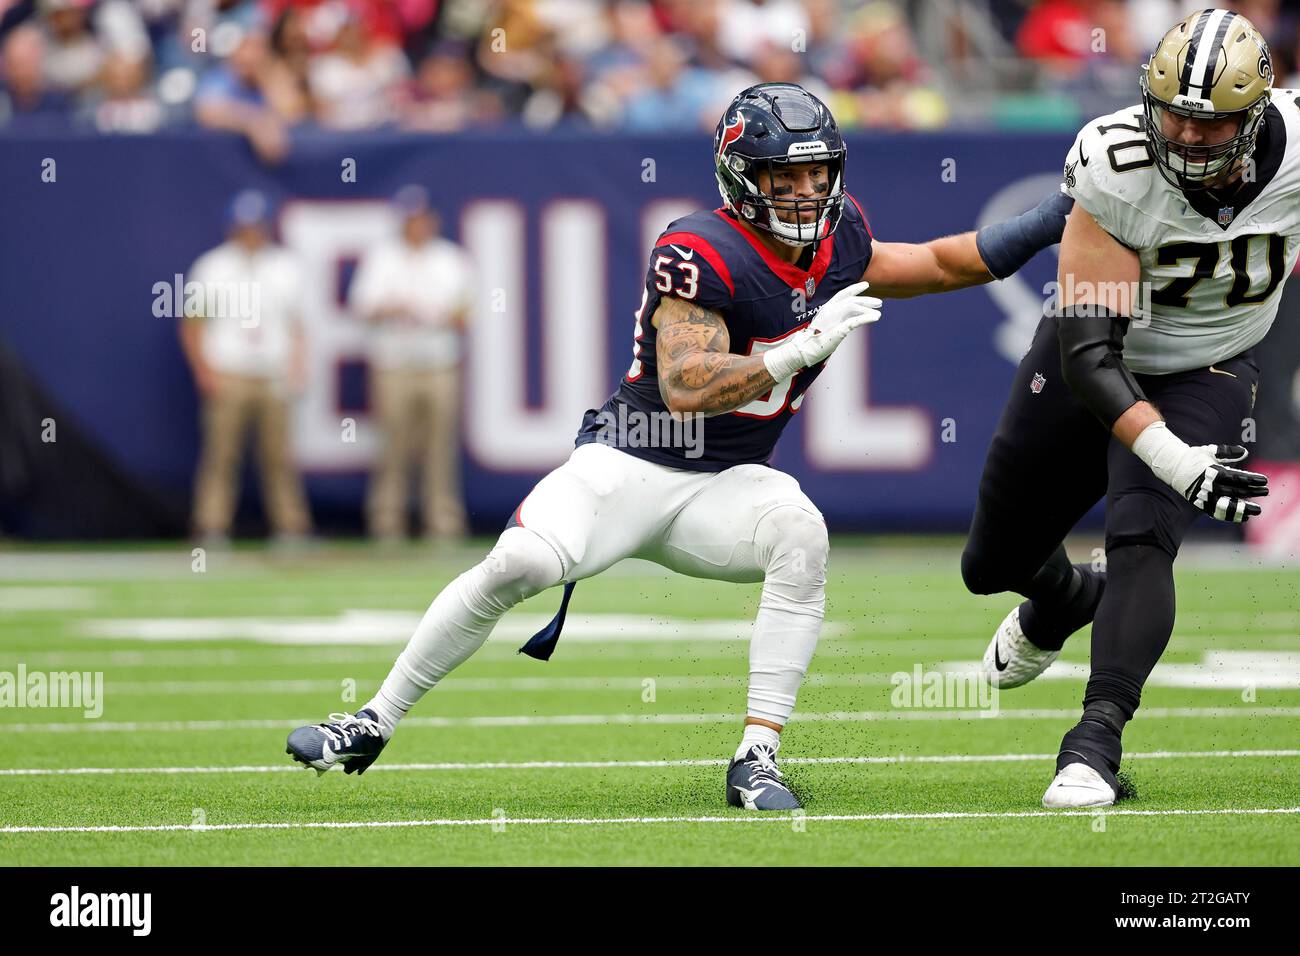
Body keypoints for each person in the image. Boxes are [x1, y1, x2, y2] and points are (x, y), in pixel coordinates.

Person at [286, 82, 1071, 811]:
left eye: (816, 175)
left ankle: (755, 757)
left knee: (801, 533)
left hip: (723, 484)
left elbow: (937, 264)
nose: (804, 194)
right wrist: (796, 350)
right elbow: (686, 386)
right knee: (519, 563)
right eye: (781, 177)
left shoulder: (840, 242)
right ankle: (373, 719)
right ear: (740, 177)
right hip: (628, 461)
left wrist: (1052, 214)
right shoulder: (697, 249)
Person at [962, 9, 1285, 808]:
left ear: (1255, 116)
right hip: (1097, 357)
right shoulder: (1116, 161)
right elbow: (1090, 358)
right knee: (991, 564)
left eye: (1207, 124)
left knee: (1143, 537)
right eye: (1170, 110)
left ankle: (1094, 743)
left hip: (1208, 364)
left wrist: (1173, 459)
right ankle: (1069, 597)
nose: (1182, 133)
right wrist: (1175, 458)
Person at [181, 189, 312, 546]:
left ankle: (290, 527)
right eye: (244, 226)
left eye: (256, 225)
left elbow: (297, 325)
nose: (251, 233)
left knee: (278, 457)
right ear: (233, 227)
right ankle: (211, 525)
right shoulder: (212, 267)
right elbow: (192, 324)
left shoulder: (285, 267)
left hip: (272, 372)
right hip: (230, 371)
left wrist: (297, 367)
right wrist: (204, 371)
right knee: (221, 454)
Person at [350, 185, 473, 542]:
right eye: (409, 219)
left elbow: (468, 314)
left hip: (439, 363)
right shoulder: (383, 257)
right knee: (392, 446)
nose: (415, 225)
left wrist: (437, 315)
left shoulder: (451, 259)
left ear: (431, 220)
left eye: (420, 218)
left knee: (440, 447)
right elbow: (362, 307)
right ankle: (387, 522)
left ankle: (443, 523)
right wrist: (394, 307)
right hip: (394, 365)